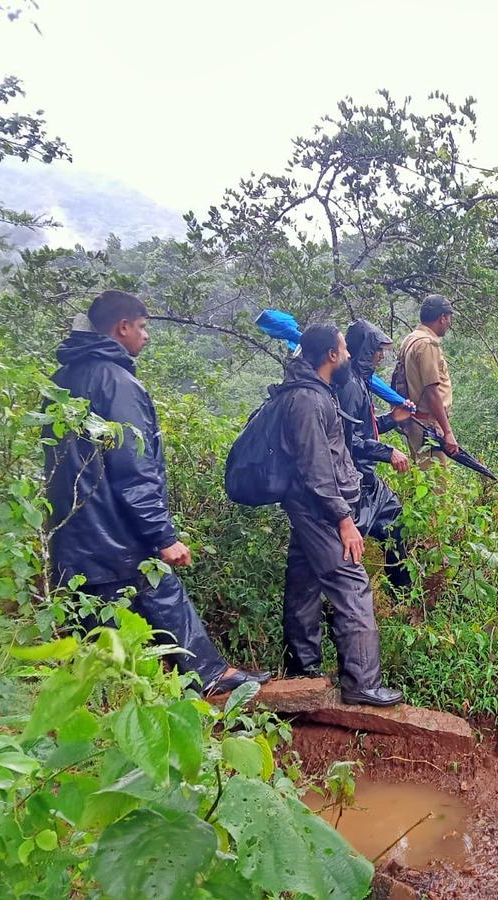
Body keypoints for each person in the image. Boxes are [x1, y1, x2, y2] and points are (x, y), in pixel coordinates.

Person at [44, 291, 269, 696]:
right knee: (160, 592)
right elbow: (133, 468)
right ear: (122, 327)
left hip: (72, 534)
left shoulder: (62, 380)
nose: (146, 336)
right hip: (116, 532)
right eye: (143, 327)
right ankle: (209, 678)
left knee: (94, 631)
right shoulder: (117, 383)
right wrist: (162, 536)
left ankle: (104, 704)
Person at [276, 324, 403, 706]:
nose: (349, 356)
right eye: (344, 350)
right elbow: (317, 468)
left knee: (303, 583)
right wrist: (344, 519)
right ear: (332, 355)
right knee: (352, 587)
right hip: (321, 510)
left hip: (310, 506)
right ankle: (362, 684)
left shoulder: (314, 392)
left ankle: (301, 667)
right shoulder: (309, 401)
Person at [337, 319, 413, 591]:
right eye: (377, 350)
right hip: (351, 482)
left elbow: (365, 427)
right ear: (365, 351)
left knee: (394, 521)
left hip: (367, 481)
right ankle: (347, 608)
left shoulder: (361, 382)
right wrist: (388, 451)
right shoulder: (347, 386)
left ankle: (403, 597)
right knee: (346, 552)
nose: (381, 356)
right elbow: (348, 440)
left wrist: (393, 418)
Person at [392, 294, 458, 468]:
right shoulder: (426, 344)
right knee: (436, 488)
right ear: (442, 318)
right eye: (449, 317)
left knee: (421, 479)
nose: (449, 323)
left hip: (416, 424)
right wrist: (447, 431)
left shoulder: (411, 339)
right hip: (428, 427)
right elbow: (431, 391)